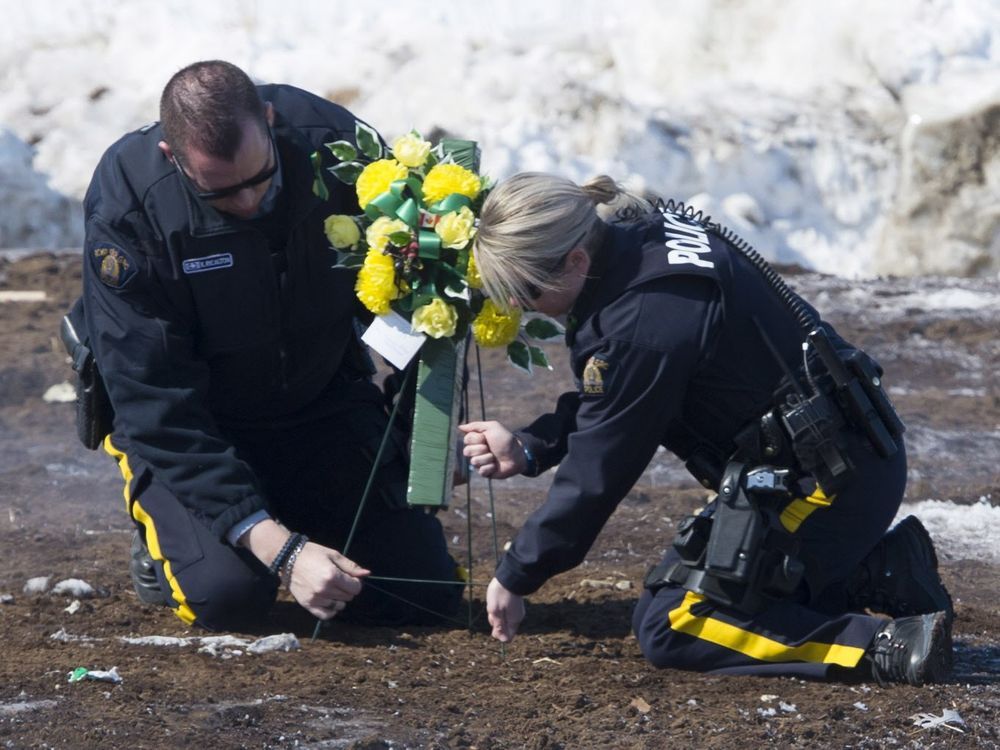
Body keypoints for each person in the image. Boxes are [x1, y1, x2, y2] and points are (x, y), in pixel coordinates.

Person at [460, 172, 955, 685]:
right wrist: (530, 445)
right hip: (840, 458)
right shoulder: (642, 239)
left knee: (674, 621)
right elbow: (617, 393)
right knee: (742, 586)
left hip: (829, 482)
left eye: (522, 288)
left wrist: (517, 571)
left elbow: (598, 472)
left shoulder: (644, 320)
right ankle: (879, 571)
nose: (516, 305)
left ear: (576, 262)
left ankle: (887, 646)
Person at [64, 60, 462, 631]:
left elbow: (422, 302)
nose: (250, 202)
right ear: (173, 160)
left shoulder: (343, 153)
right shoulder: (131, 204)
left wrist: (421, 445)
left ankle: (294, 506)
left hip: (319, 399)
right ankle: (172, 535)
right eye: (223, 193)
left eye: (261, 179)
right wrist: (283, 551)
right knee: (230, 601)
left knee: (418, 591)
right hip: (200, 421)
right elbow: (153, 398)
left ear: (270, 123)